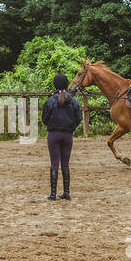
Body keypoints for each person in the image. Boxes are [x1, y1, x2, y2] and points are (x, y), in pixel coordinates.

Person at [42, 72, 82, 200]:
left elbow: (44, 119)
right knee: (65, 164)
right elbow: (78, 118)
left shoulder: (50, 101)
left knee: (54, 164)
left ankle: (53, 194)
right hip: (67, 135)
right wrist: (71, 127)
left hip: (54, 135)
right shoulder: (73, 101)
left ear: (55, 85)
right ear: (66, 84)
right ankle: (66, 193)